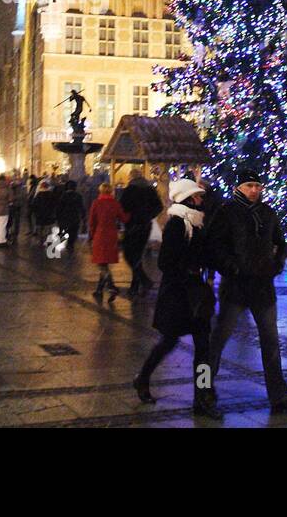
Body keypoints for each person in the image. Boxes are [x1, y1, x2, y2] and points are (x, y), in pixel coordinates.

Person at [207, 166, 287, 417]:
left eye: (258, 186)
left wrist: (276, 265)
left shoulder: (268, 213)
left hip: (263, 287)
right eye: (249, 186)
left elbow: (281, 244)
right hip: (236, 287)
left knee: (271, 343)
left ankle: (279, 397)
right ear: (238, 187)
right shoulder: (227, 213)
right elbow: (214, 246)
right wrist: (232, 268)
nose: (254, 190)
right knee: (217, 341)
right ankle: (203, 390)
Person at [133, 179, 220, 419]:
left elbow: (205, 254)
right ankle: (143, 377)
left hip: (196, 293)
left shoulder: (197, 223)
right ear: (189, 199)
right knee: (168, 342)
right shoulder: (176, 225)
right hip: (178, 294)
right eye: (198, 197)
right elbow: (165, 263)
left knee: (203, 348)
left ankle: (202, 397)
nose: (202, 201)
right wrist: (189, 269)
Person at [120, 169, 162, 297]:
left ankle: (144, 281)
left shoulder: (129, 190)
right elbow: (159, 206)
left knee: (129, 254)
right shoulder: (150, 190)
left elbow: (122, 206)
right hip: (145, 226)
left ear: (131, 177)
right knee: (137, 255)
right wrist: (148, 216)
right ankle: (136, 285)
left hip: (133, 225)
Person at [87, 182, 129, 300]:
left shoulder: (96, 203)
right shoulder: (115, 204)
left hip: (100, 235)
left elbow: (92, 222)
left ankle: (111, 287)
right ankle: (99, 290)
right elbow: (124, 218)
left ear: (100, 191)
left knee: (102, 264)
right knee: (104, 263)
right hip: (111, 235)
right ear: (111, 191)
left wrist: (91, 235)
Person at [57, 180, 83, 250]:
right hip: (75, 217)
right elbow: (81, 207)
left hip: (65, 217)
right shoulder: (78, 196)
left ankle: (67, 242)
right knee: (73, 231)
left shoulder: (63, 195)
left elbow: (59, 207)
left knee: (66, 229)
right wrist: (83, 217)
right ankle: (70, 244)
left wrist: (58, 217)